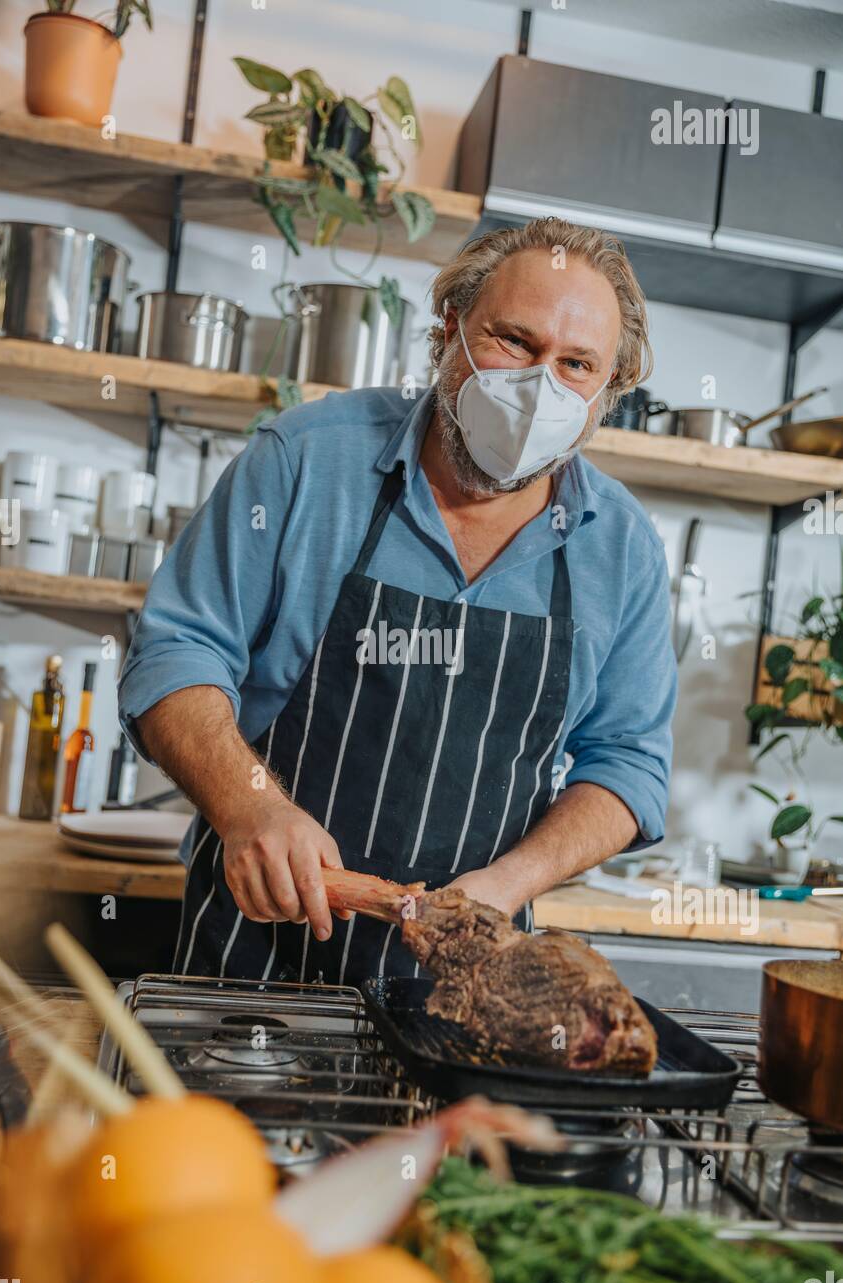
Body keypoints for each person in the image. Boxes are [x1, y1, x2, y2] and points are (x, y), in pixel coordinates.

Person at [118, 216, 677, 985]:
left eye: (575, 364)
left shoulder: (621, 547)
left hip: (466, 976)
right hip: (251, 953)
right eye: (513, 342)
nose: (538, 386)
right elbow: (176, 652)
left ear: (606, 391)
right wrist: (251, 805)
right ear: (449, 329)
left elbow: (629, 764)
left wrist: (507, 886)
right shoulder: (307, 458)